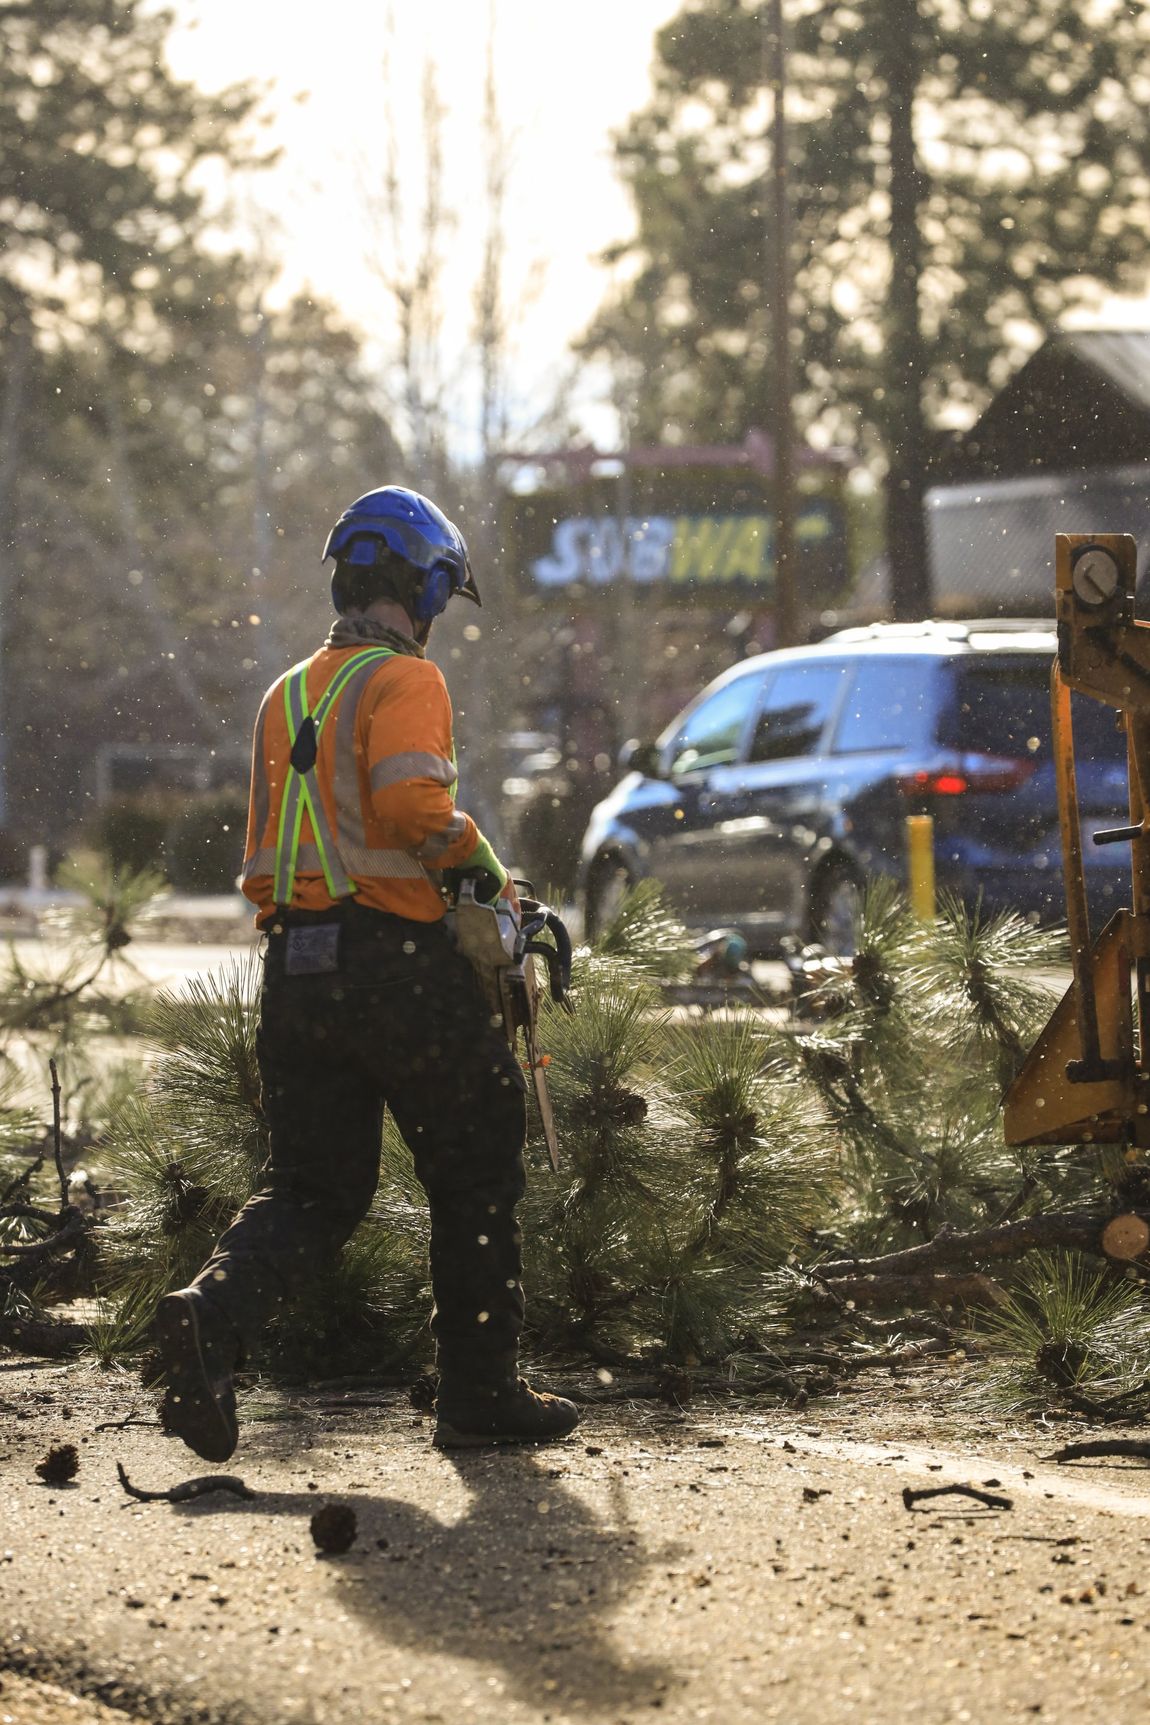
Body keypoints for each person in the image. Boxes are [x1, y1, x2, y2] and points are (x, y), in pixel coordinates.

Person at [155, 485, 579, 1459]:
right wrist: (498, 887)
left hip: (296, 971)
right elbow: (412, 808)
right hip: (395, 969)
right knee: (475, 1160)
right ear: (425, 586)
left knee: (313, 1191)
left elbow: (274, 854)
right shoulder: (405, 682)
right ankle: (477, 1394)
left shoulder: (289, 692)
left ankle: (210, 1314)